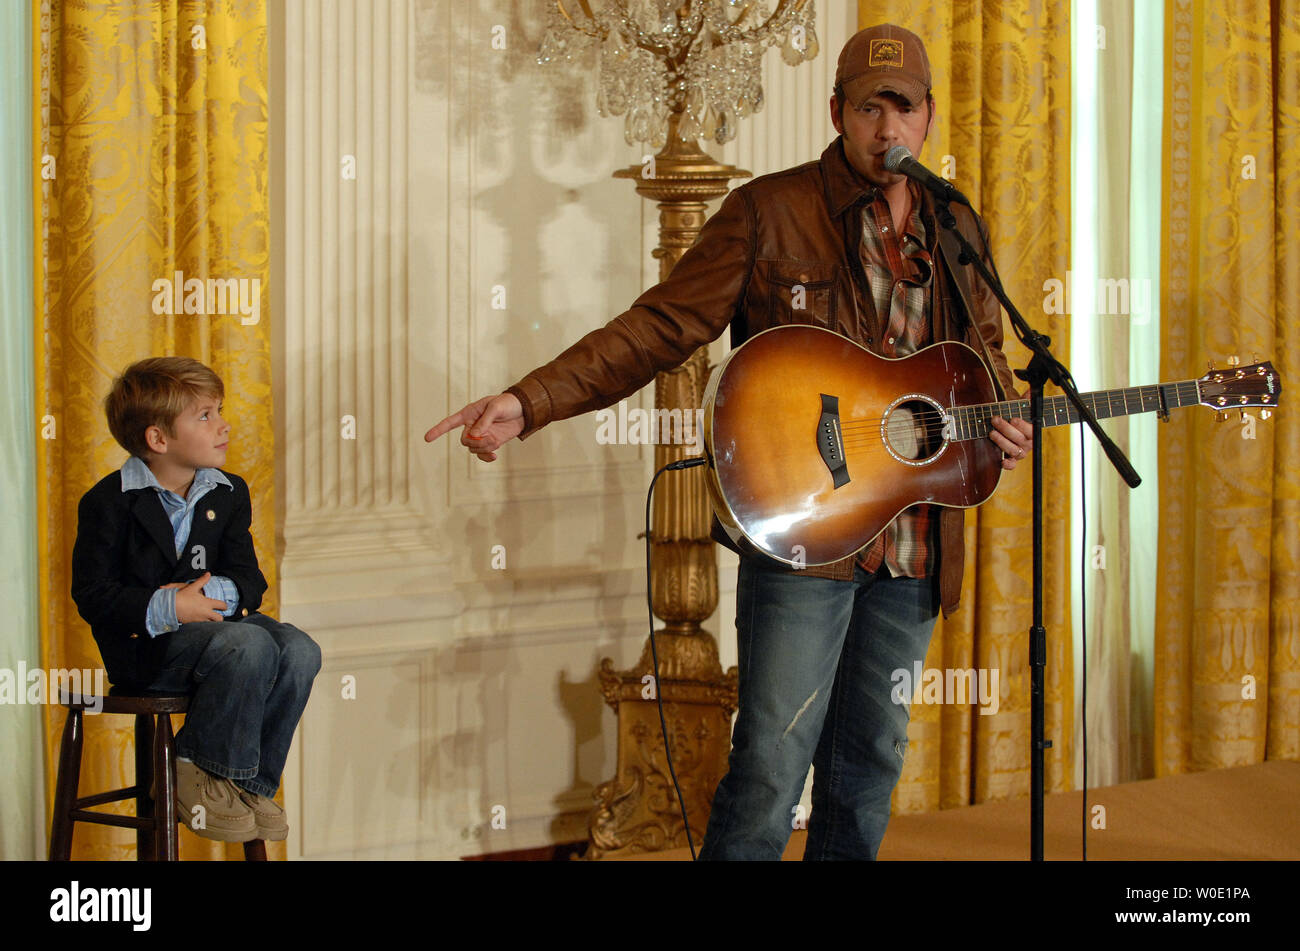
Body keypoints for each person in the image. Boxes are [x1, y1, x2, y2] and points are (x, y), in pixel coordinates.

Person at [425, 23, 1033, 860]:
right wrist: (532, 401)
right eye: (868, 109)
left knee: (869, 769)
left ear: (928, 116)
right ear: (837, 113)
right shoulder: (769, 211)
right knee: (771, 768)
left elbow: (985, 352)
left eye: (903, 109)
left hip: (915, 543)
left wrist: (1002, 417)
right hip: (804, 532)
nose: (887, 129)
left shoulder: (955, 223)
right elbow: (660, 324)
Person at [71, 356, 321, 844]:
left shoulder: (227, 493)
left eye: (220, 410)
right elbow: (93, 595)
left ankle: (249, 784)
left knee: (300, 649)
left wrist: (206, 595)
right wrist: (169, 608)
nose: (223, 424)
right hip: (149, 651)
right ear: (158, 440)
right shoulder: (108, 502)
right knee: (248, 646)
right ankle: (192, 765)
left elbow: (249, 580)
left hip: (220, 636)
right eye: (205, 416)